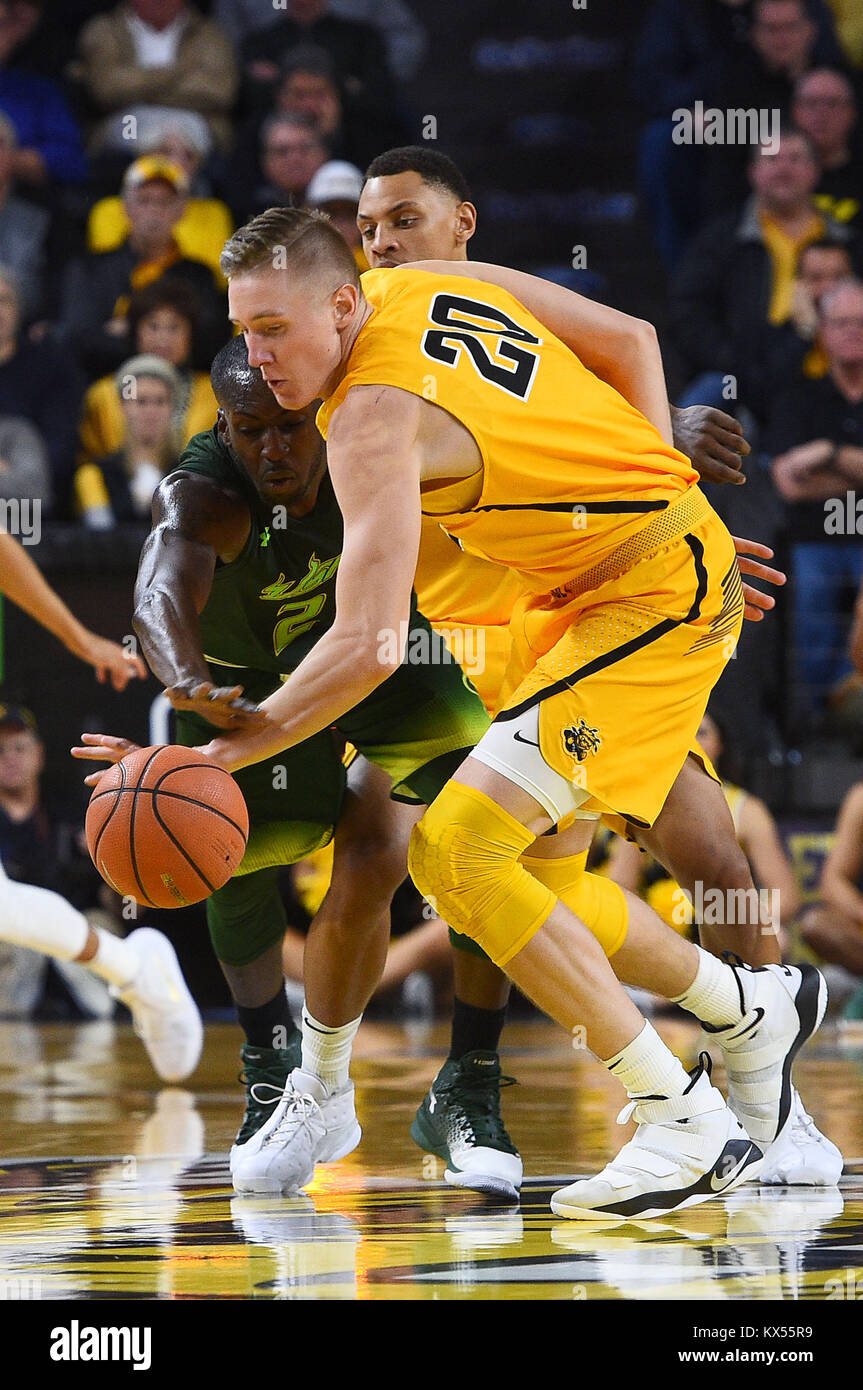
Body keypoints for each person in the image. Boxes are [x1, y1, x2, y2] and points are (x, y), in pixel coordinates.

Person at [89, 206, 832, 1220]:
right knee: (528, 886)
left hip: (641, 595)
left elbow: (365, 646)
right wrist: (664, 487)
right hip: (585, 602)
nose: (257, 359)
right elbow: (618, 348)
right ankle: (748, 1011)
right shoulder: (425, 286)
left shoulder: (364, 417)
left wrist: (226, 753)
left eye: (275, 330)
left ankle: (680, 1115)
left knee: (456, 851)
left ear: (344, 300)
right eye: (244, 332)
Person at [355, 144, 841, 1189]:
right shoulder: (369, 357)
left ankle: (761, 1102)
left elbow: (624, 348)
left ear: (463, 223)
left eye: (401, 218)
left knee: (702, 845)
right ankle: (500, 1078)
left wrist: (661, 492)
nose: (383, 242)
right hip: (509, 639)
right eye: (367, 229)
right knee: (515, 875)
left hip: (592, 619)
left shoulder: (475, 308)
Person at [75, 334, 491, 1196]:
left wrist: (659, 425)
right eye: (248, 428)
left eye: (291, 426)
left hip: (377, 652)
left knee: (478, 827)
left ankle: (471, 1082)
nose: (272, 447)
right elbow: (158, 590)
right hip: (253, 692)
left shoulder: (370, 439)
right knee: (214, 836)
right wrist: (186, 679)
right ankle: (270, 1062)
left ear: (325, 414)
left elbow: (518, 434)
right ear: (223, 429)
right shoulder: (205, 493)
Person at [0, 703, 201, 1075]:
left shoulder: (75, 812)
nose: (9, 759)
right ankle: (135, 971)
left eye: (19, 748)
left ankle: (132, 973)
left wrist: (128, 885)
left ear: (39, 753)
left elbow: (120, 894)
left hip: (81, 921)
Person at [672, 128, 854, 423]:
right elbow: (688, 316)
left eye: (795, 159)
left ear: (815, 171)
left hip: (838, 377)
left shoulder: (847, 241)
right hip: (745, 379)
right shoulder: (720, 240)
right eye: (772, 160)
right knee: (707, 395)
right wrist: (736, 364)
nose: (783, 168)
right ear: (753, 172)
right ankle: (671, 465)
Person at [768, 278, 863, 719]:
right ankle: (810, 728)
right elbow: (788, 482)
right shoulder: (798, 395)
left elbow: (804, 475)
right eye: (841, 322)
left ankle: (850, 708)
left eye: (861, 322)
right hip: (814, 538)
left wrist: (830, 453)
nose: (852, 330)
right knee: (809, 605)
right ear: (822, 331)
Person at [58, 155, 227, 379]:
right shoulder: (90, 269)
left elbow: (209, 345)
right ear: (125, 207)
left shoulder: (199, 275)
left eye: (165, 202)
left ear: (182, 210)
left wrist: (127, 331)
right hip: (106, 387)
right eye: (144, 200)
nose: (154, 212)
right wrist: (163, 339)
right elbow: (76, 341)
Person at [77, 279, 217, 472]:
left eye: (174, 327)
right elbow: (89, 465)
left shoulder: (214, 393)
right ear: (136, 332)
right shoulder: (104, 394)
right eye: (153, 326)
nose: (163, 338)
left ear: (191, 335)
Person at [75, 0, 238, 155]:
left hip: (193, 117)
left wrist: (140, 88)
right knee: (137, 138)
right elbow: (108, 88)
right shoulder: (105, 30)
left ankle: (166, 182)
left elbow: (219, 91)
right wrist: (179, 72)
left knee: (180, 143)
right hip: (129, 117)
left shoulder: (209, 33)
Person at [0, 266, 83, 512]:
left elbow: (60, 446)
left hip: (29, 505)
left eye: (4, 300)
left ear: (19, 310)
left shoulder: (51, 367)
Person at [75, 355, 182, 527]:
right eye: (141, 402)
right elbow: (102, 538)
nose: (150, 411)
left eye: (160, 402)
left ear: (172, 408)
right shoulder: (94, 475)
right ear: (123, 407)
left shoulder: (188, 475)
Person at [792, 67, 863, 231]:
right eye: (811, 103)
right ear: (795, 112)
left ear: (851, 113)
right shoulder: (779, 177)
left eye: (833, 103)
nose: (821, 113)